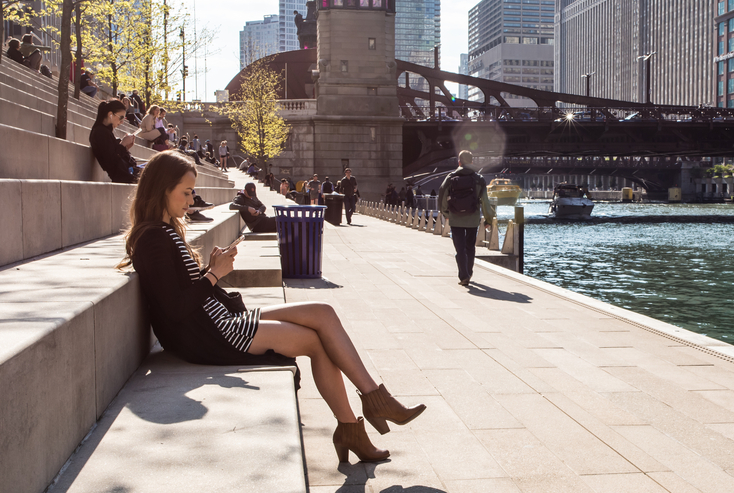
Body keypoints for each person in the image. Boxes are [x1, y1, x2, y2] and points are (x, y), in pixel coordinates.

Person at [120, 151, 424, 463]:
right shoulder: (154, 238)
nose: (190, 199)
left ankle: (373, 400)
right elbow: (174, 307)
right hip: (210, 335)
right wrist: (214, 274)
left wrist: (208, 270)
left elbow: (178, 289)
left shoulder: (163, 230)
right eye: (185, 192)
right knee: (316, 343)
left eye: (191, 192)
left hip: (215, 320)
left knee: (323, 312)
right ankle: (352, 426)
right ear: (161, 189)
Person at [439, 150, 495, 287]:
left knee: (460, 249)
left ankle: (464, 276)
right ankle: (469, 272)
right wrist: (488, 219)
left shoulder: (451, 177)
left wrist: (446, 214)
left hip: (455, 218)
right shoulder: (479, 179)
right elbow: (485, 202)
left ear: (459, 162)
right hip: (472, 219)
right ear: (472, 162)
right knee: (470, 247)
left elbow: (442, 195)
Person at [90, 100, 140, 184]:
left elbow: (115, 154)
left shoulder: (106, 131)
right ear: (110, 114)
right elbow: (111, 161)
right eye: (121, 117)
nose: (122, 122)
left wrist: (126, 147)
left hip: (127, 175)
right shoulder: (100, 132)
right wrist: (123, 144)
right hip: (123, 178)